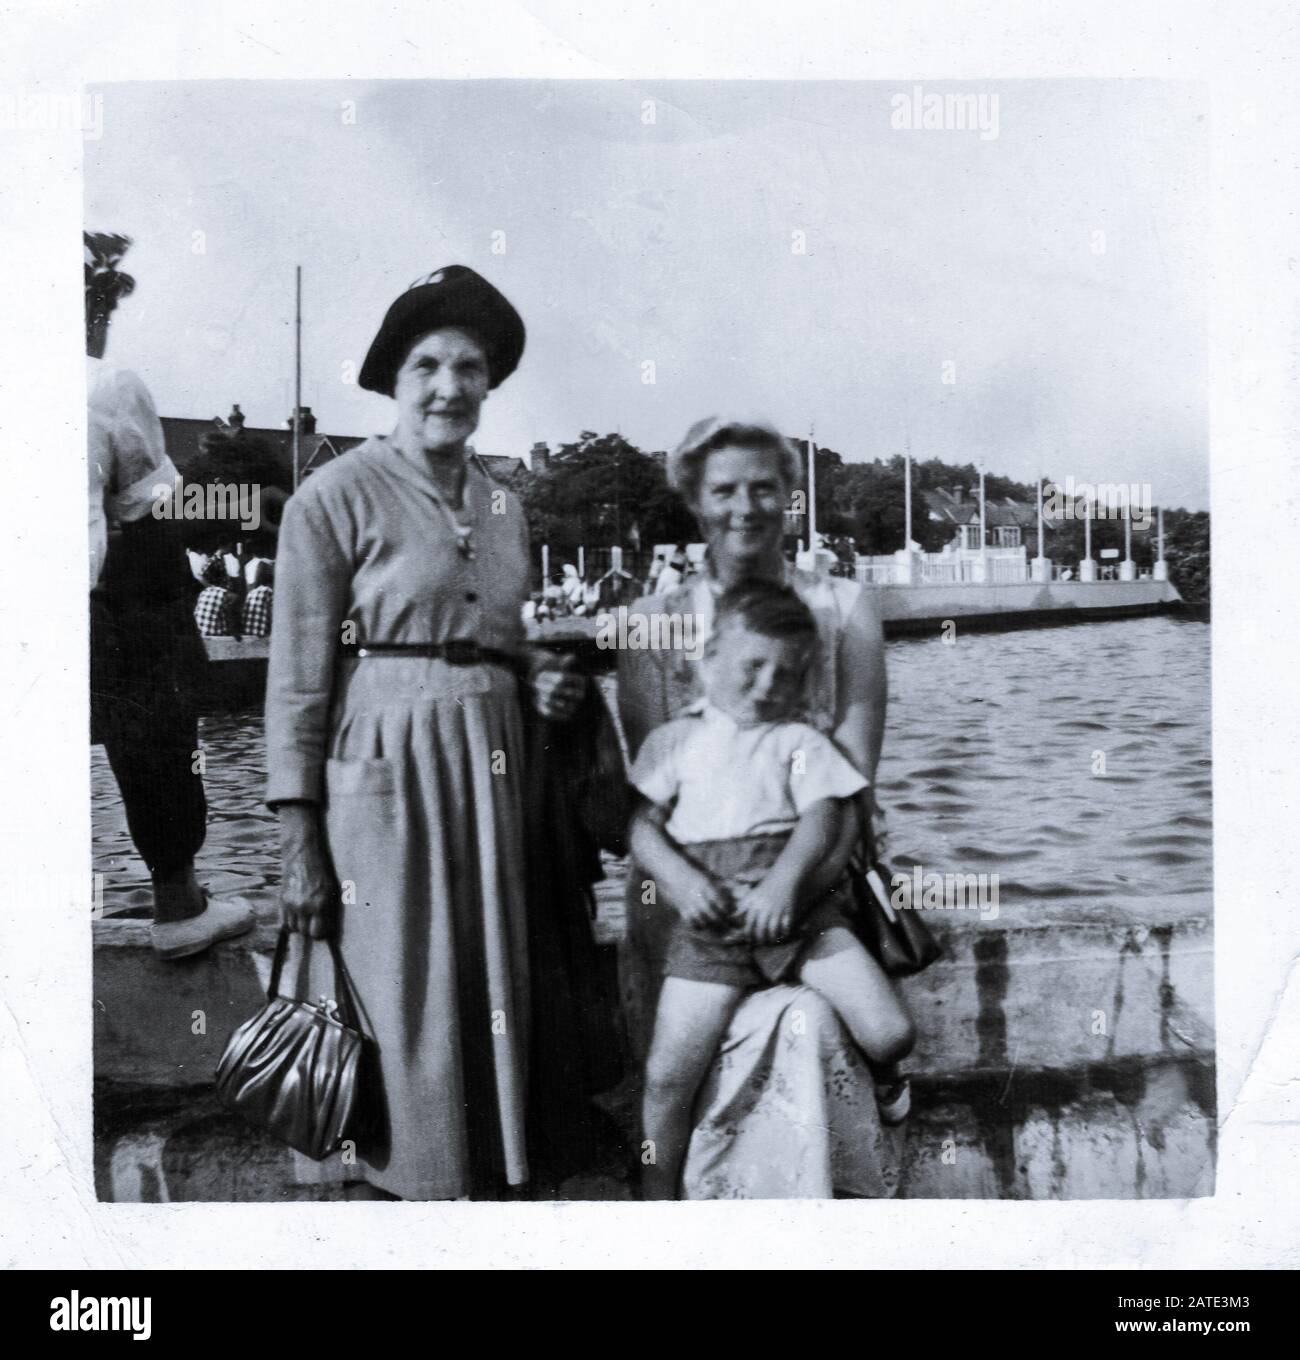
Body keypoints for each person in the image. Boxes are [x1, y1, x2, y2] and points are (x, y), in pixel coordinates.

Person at [266, 265, 586, 1201]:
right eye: (427, 366)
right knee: (401, 987)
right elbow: (295, 681)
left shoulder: (504, 506)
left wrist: (546, 685)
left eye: (470, 367)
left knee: (490, 983)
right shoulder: (331, 499)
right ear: (393, 381)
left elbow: (508, 642)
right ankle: (409, 1181)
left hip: (494, 772)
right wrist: (298, 841)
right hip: (384, 779)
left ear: (492, 383)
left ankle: (489, 1167)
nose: (450, 387)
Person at [617, 415, 913, 1199]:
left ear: (790, 496)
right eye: (723, 491)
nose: (744, 507)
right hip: (694, 901)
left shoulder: (844, 607)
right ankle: (661, 1208)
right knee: (669, 1068)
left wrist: (789, 892)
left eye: (763, 488)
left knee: (858, 1022)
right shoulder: (652, 622)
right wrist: (692, 896)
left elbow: (852, 782)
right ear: (694, 499)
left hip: (815, 879)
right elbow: (654, 797)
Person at [86, 231, 257, 958]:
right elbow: (159, 520)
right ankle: (176, 896)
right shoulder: (104, 383)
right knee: (153, 636)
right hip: (89, 611)